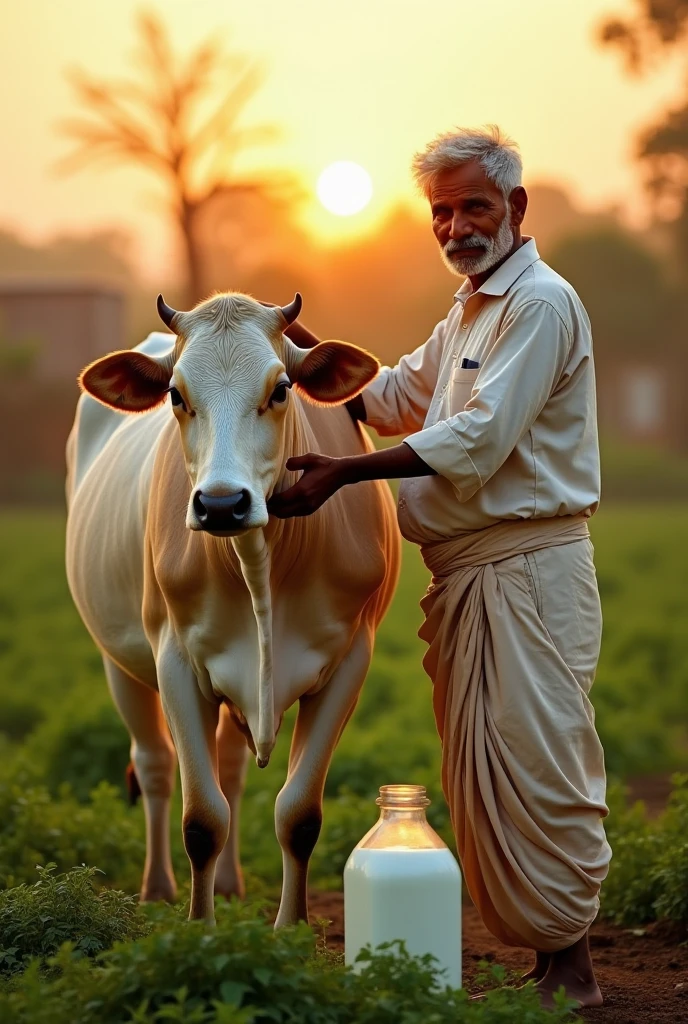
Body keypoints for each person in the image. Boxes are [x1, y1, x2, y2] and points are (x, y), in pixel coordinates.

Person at [267, 125, 611, 1009]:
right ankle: (547, 968)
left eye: (474, 207)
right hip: (466, 577)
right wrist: (292, 348)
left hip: (529, 565)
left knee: (538, 765)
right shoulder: (467, 310)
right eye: (442, 211)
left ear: (516, 209)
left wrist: (344, 471)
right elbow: (386, 397)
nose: (457, 225)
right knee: (482, 769)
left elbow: (479, 437)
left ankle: (573, 975)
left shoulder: (538, 305)